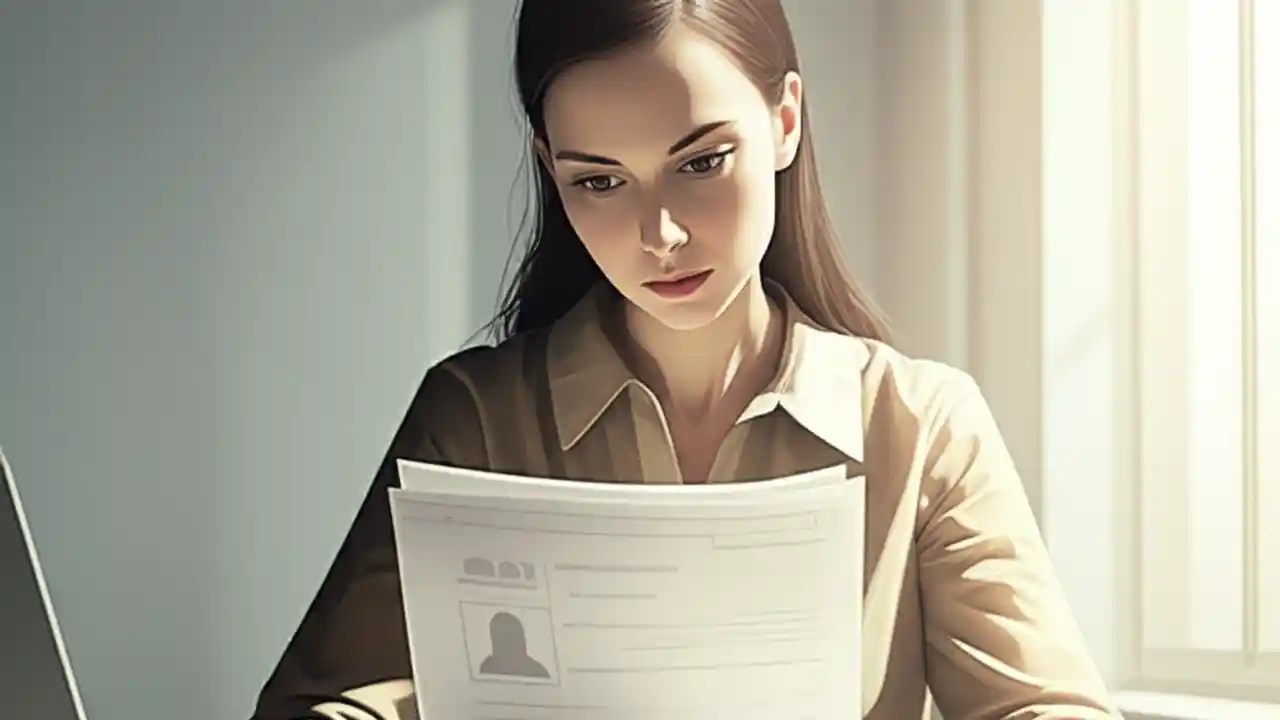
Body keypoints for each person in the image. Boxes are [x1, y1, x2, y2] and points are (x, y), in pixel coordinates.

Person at [251, 0, 1120, 718]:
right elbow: (332, 700)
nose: (658, 234)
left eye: (701, 162)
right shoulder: (473, 416)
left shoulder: (920, 427)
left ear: (784, 121)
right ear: (550, 172)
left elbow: (1044, 706)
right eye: (599, 180)